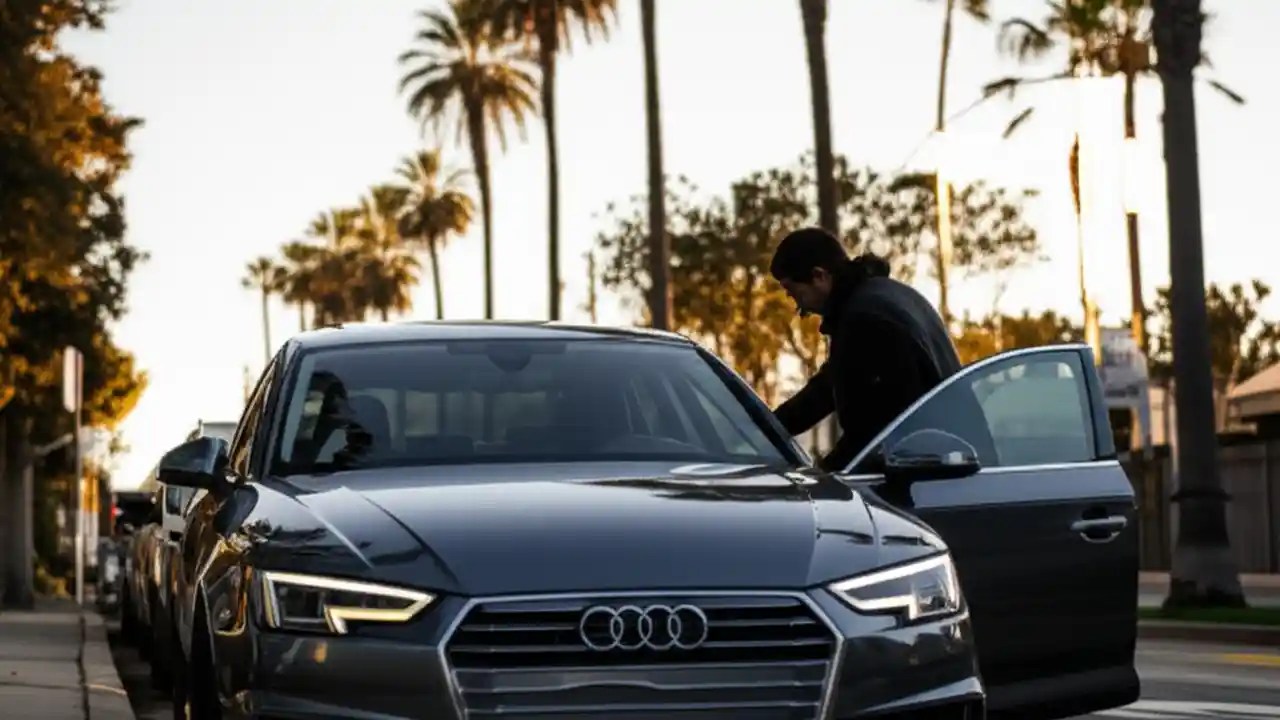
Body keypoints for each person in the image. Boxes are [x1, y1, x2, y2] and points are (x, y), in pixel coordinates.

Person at [770, 227, 962, 472]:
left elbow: (871, 432)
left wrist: (825, 480)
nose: (796, 305)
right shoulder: (887, 298)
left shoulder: (864, 320)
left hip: (928, 477)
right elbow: (828, 389)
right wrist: (770, 427)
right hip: (952, 461)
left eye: (793, 292)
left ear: (819, 276)